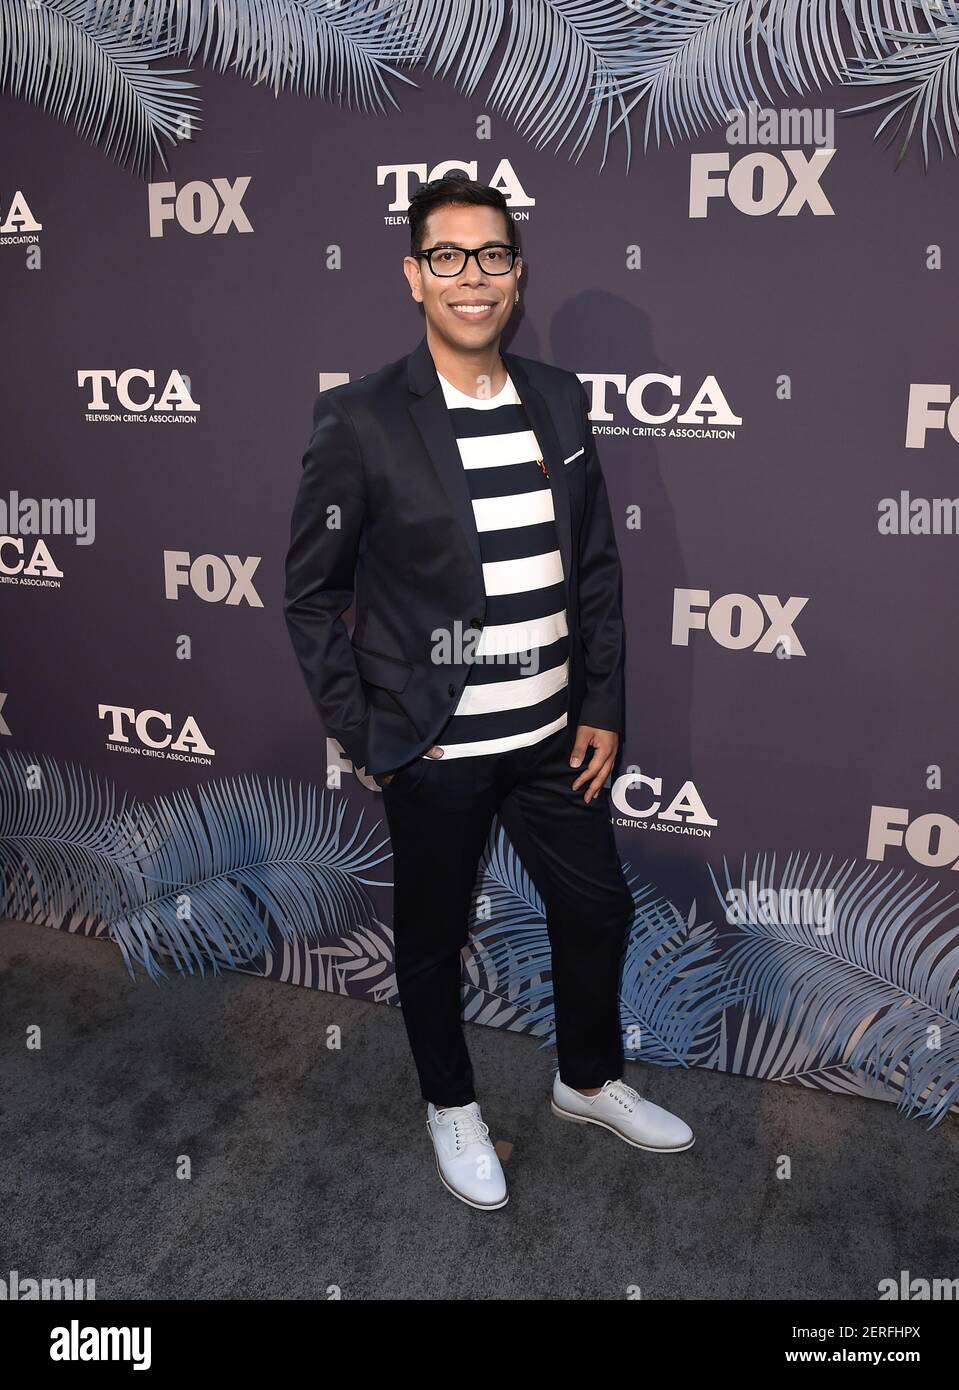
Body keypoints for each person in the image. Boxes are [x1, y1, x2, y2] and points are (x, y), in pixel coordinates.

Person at [283, 174, 693, 1211]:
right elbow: (308, 596)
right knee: (429, 937)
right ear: (414, 275)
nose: (474, 277)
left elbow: (593, 564)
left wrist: (599, 702)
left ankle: (585, 1078)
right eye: (450, 257)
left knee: (595, 908)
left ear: (516, 277)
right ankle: (451, 1103)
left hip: (555, 734)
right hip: (435, 746)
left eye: (494, 256)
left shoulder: (557, 397)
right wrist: (374, 735)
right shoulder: (360, 418)